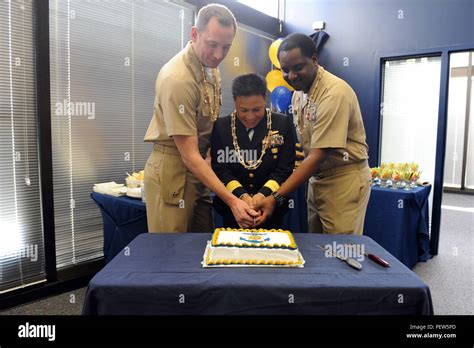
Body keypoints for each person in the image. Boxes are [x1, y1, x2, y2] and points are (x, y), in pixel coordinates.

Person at [143, 4, 258, 233]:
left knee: (203, 248)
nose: (218, 55)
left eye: (226, 47)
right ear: (194, 34)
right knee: (173, 254)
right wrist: (233, 200)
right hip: (174, 168)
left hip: (199, 169)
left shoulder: (209, 67)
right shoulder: (178, 79)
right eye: (212, 44)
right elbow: (188, 155)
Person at [256, 33, 371, 235]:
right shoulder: (299, 95)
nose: (291, 76)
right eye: (285, 70)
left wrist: (276, 198)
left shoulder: (334, 93)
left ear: (315, 60)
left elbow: (317, 156)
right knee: (318, 249)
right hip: (316, 181)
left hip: (344, 179)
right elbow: (303, 149)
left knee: (341, 252)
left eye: (298, 67)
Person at [211, 74, 295, 228]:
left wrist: (262, 194)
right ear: (235, 102)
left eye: (257, 109)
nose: (250, 117)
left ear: (265, 99)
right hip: (232, 209)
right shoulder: (221, 127)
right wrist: (241, 195)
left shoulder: (282, 123)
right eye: (243, 110)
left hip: (273, 206)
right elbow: (220, 168)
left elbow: (285, 167)